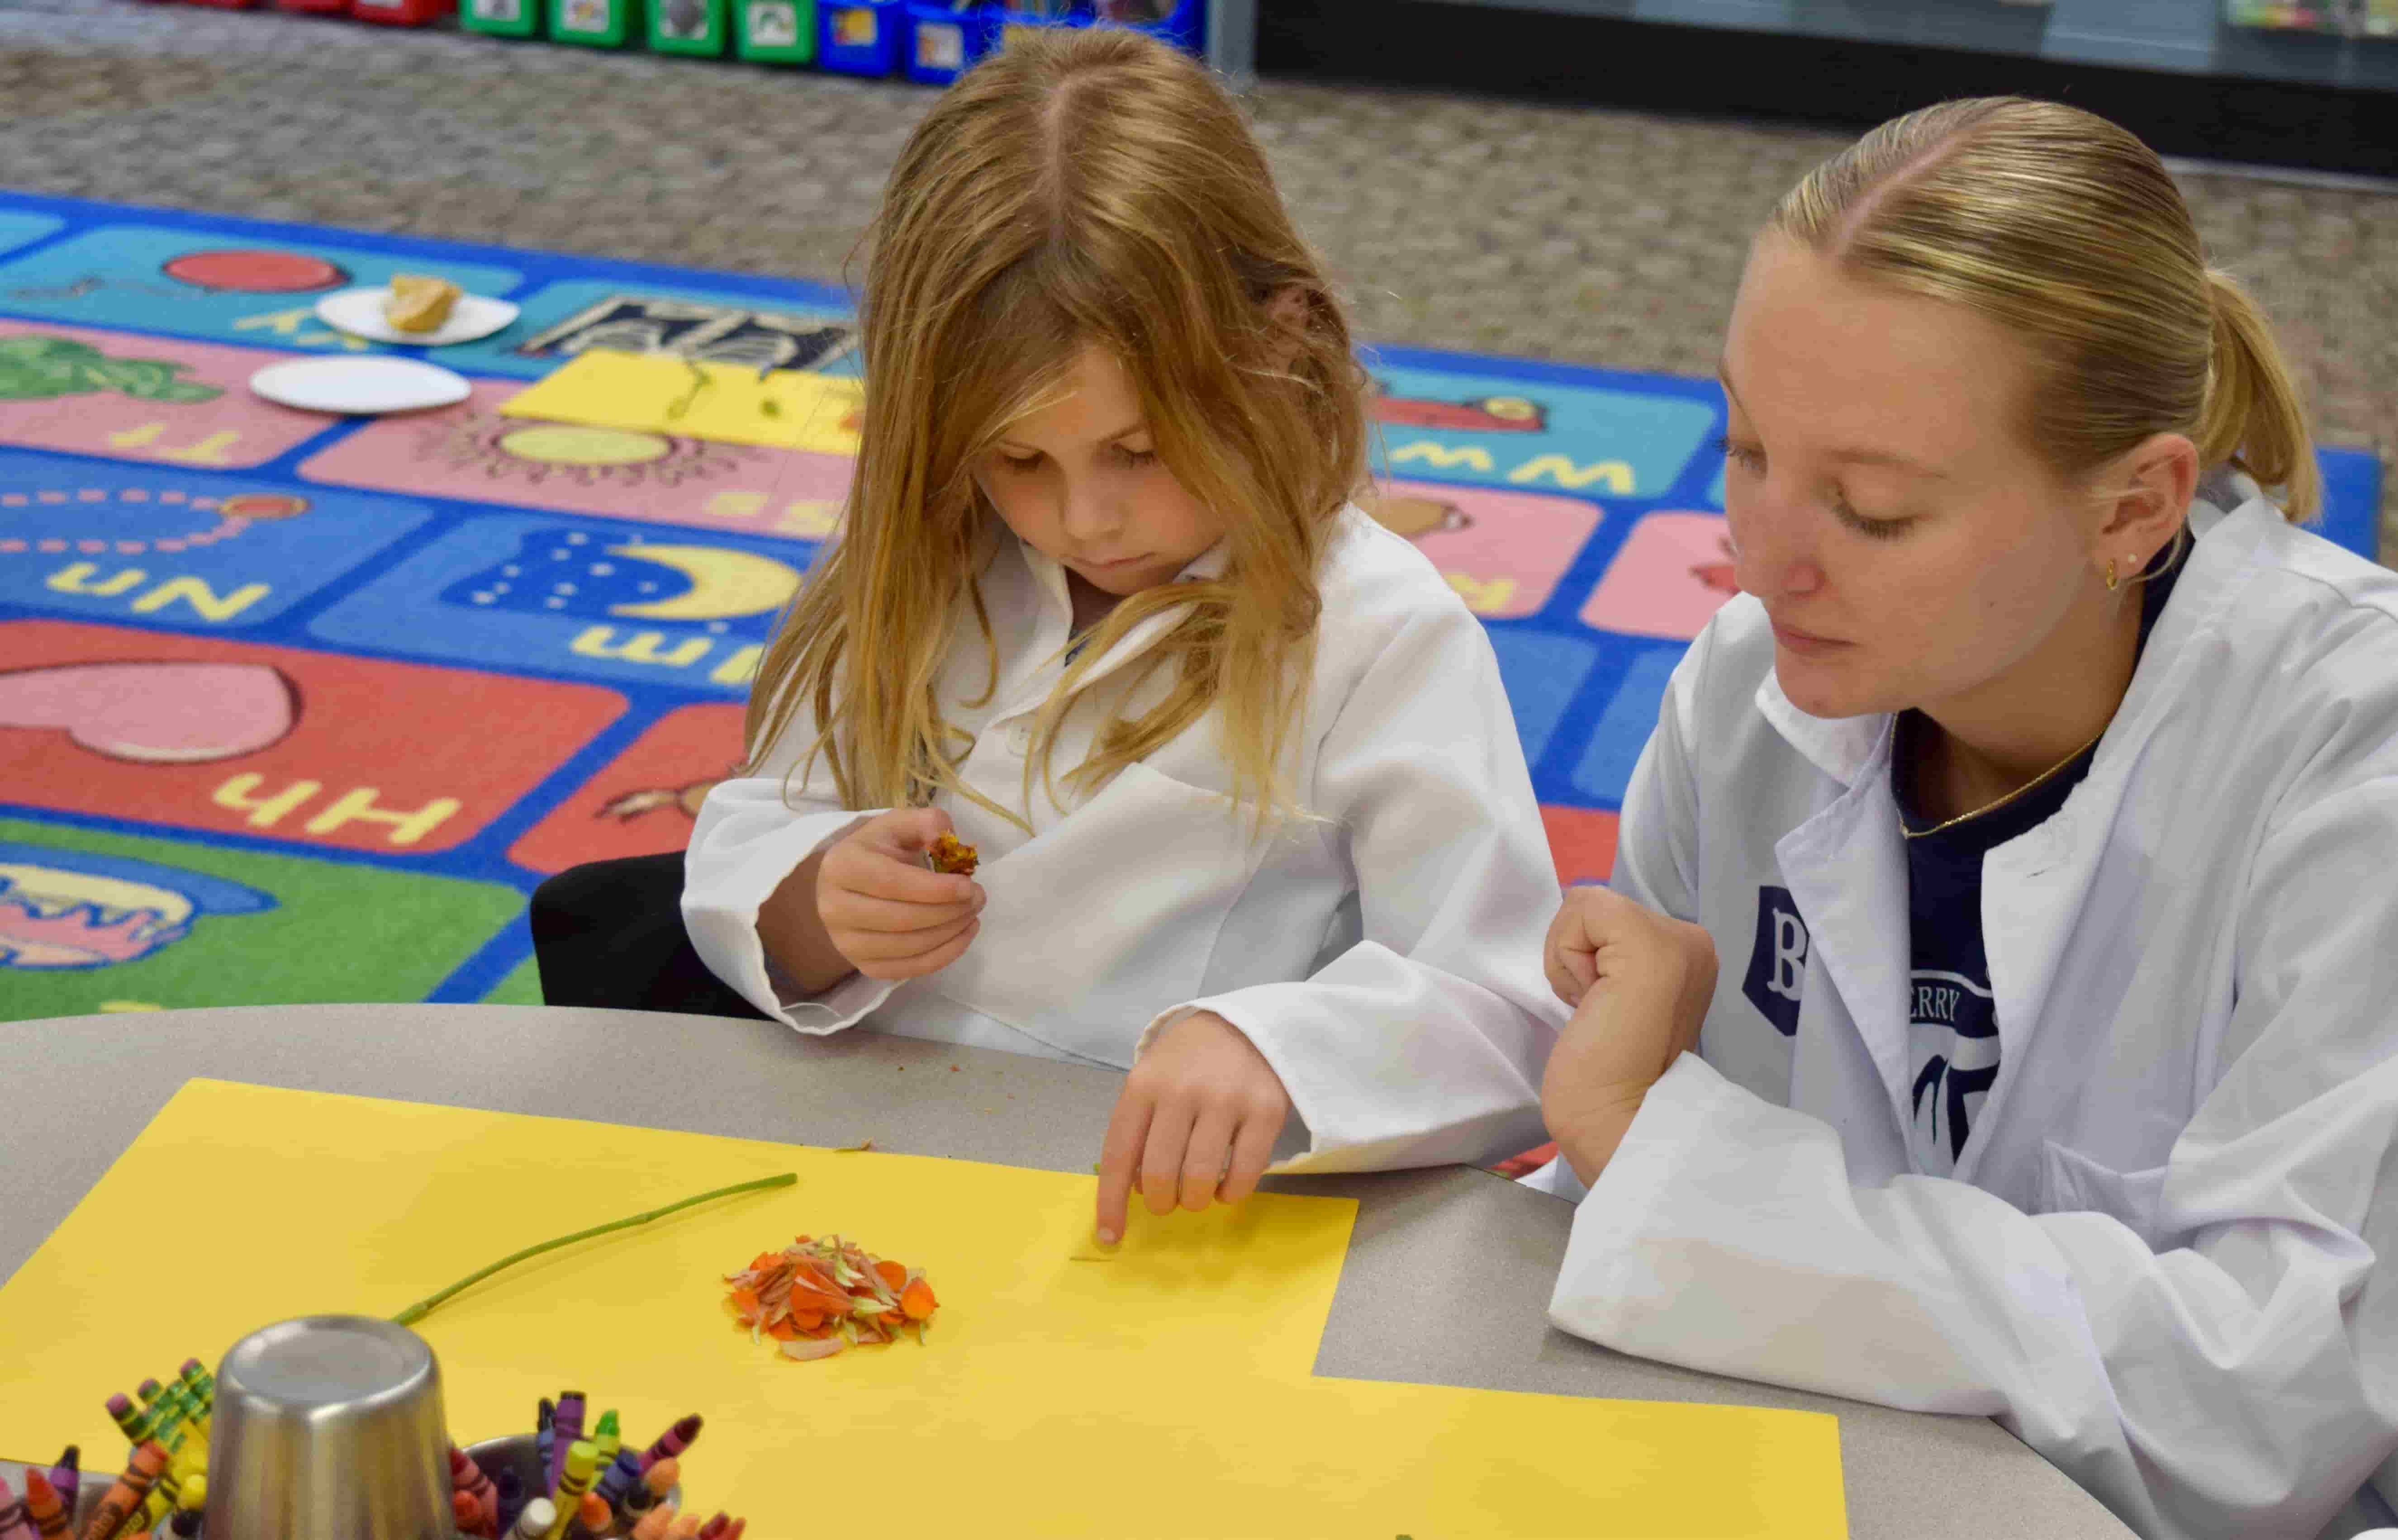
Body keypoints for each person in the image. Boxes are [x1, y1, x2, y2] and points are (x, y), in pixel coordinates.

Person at [1526, 96, 2398, 1539]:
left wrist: (1665, 1152)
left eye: (1870, 511)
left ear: (2133, 511)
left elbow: (2260, 1412)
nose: (1765, 561)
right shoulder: (1751, 692)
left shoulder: (2355, 767)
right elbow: (1600, 1233)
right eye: (1744, 449)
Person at [534, 27, 1565, 1245]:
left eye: (1139, 451)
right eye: (1019, 460)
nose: (1087, 519)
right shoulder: (928, 559)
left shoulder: (1380, 634)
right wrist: (813, 903)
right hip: (865, 1166)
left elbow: (1502, 1004)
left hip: (1163, 1215)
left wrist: (1278, 1046)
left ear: (1279, 343)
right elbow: (765, 819)